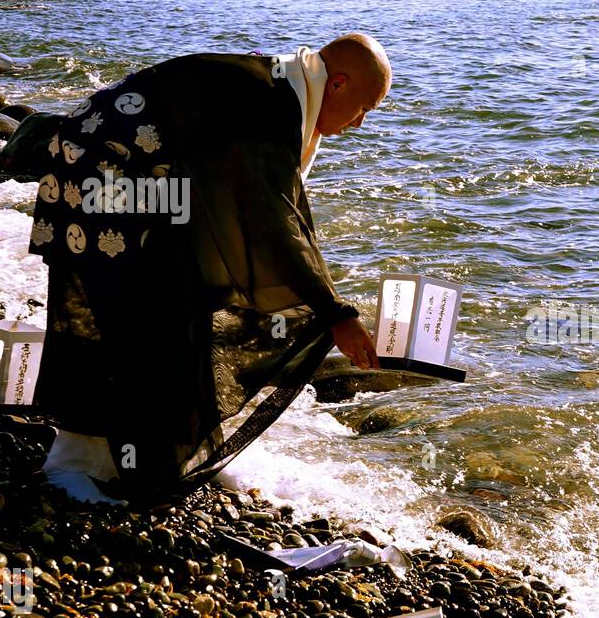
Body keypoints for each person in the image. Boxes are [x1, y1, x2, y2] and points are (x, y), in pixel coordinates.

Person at [28, 33, 389, 503]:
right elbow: (271, 219)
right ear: (337, 83)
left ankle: (147, 456)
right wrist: (335, 311)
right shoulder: (268, 102)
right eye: (365, 108)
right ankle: (71, 466)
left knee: (177, 308)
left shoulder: (283, 86)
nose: (360, 123)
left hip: (138, 172)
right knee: (126, 315)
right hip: (100, 170)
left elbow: (272, 210)